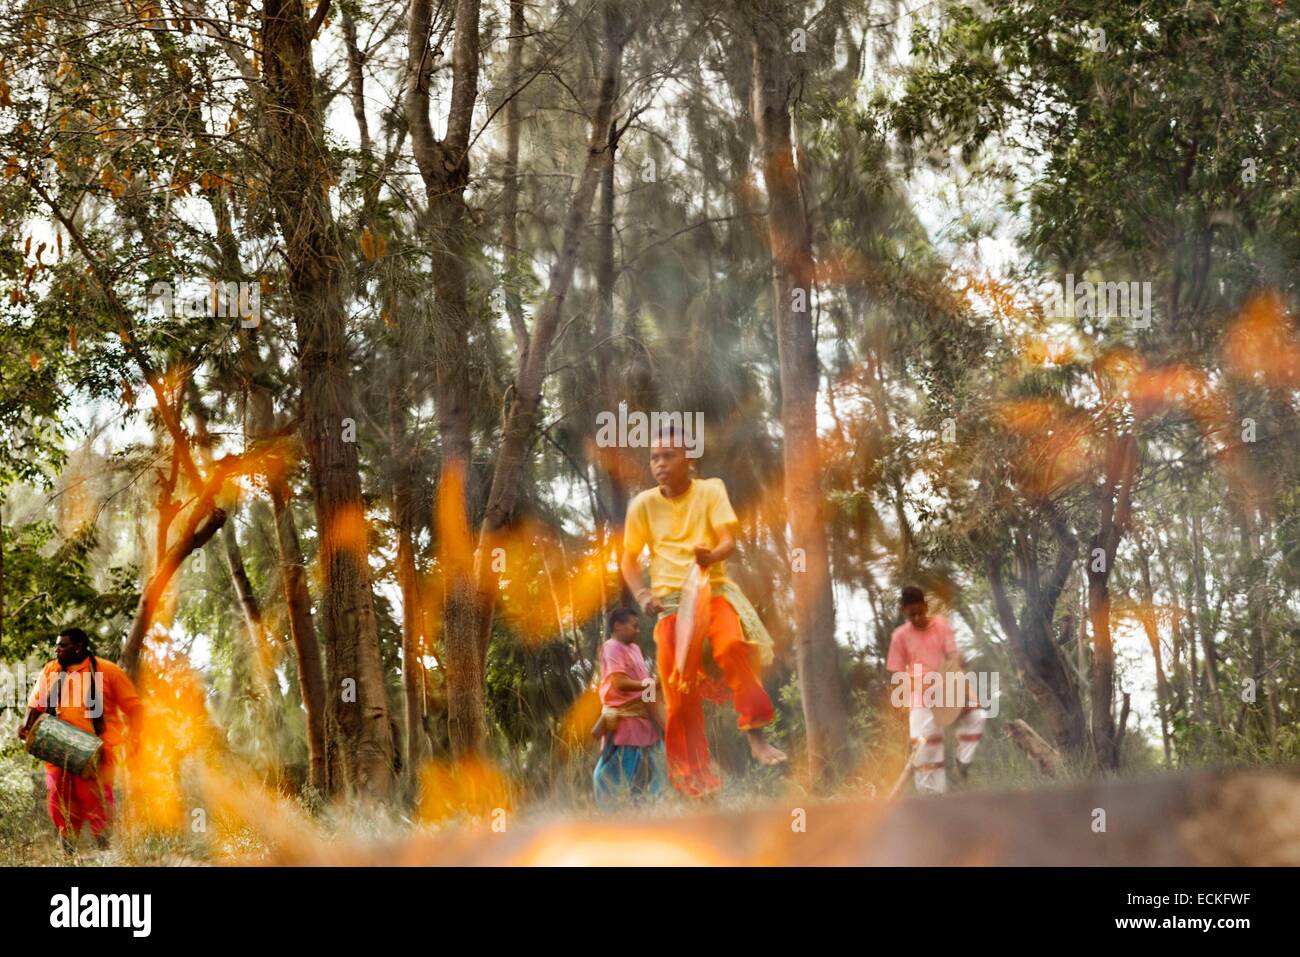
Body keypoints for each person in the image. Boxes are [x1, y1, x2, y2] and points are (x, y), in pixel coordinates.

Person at [620, 428, 786, 797]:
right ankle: (694, 780)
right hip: (670, 607)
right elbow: (629, 561)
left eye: (669, 456)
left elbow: (728, 539)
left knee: (732, 648)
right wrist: (643, 593)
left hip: (712, 594)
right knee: (678, 693)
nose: (660, 464)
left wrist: (712, 556)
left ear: (688, 459)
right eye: (654, 457)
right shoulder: (642, 505)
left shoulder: (711, 489)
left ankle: (755, 734)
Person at [17, 627, 142, 852]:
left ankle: (104, 853)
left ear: (78, 647)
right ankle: (69, 851)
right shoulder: (51, 670)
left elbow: (134, 708)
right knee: (58, 800)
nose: (57, 649)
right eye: (56, 645)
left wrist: (134, 738)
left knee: (97, 802)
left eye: (62, 645)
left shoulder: (108, 671)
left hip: (97, 751)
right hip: (57, 750)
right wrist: (26, 726)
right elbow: (35, 704)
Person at [886, 586, 986, 794]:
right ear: (905, 612)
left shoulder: (941, 625)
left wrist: (960, 668)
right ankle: (932, 800)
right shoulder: (900, 636)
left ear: (925, 606)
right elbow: (896, 674)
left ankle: (963, 762)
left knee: (977, 715)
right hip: (921, 698)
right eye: (911, 614)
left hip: (948, 690)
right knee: (926, 753)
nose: (917, 617)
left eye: (920, 611)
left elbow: (952, 657)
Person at [591, 608, 666, 806]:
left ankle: (650, 808)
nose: (637, 630)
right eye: (634, 626)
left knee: (658, 766)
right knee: (616, 771)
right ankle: (610, 814)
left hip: (644, 718)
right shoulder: (611, 646)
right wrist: (652, 684)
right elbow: (619, 683)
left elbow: (645, 684)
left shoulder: (635, 649)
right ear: (617, 626)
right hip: (626, 721)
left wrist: (658, 715)